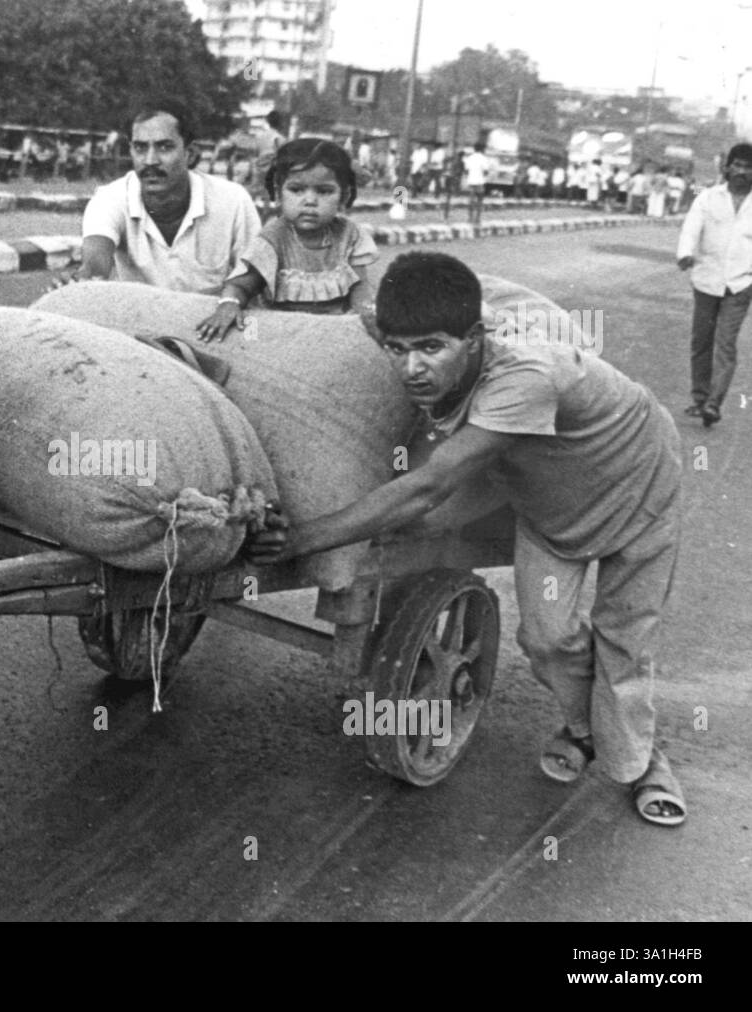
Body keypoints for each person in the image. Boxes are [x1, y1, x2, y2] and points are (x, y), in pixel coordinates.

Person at [246, 250, 688, 828]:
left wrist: (302, 540)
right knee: (547, 638)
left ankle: (641, 761)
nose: (411, 369)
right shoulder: (422, 352)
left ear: (475, 337)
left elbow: (427, 487)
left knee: (625, 639)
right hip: (548, 504)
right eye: (397, 349)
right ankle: (586, 729)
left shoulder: (526, 375)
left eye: (432, 347)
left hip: (639, 488)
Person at [196, 139, 377, 341]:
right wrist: (229, 303)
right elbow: (241, 285)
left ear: (344, 196)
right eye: (296, 190)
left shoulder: (349, 235)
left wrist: (367, 312)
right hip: (278, 333)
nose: (309, 201)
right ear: (279, 193)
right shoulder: (273, 237)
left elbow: (360, 287)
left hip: (331, 333)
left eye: (324, 191)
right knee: (247, 339)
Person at [67, 108, 260, 294]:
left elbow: (253, 274)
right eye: (140, 148)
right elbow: (95, 261)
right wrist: (82, 279)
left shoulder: (232, 201)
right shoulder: (110, 199)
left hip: (214, 323)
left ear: (190, 154)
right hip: (139, 321)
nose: (150, 160)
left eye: (165, 147)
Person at [676, 143, 752, 427]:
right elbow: (692, 226)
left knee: (726, 344)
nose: (742, 172)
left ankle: (713, 404)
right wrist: (685, 253)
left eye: (748, 167)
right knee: (701, 341)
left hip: (741, 283)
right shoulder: (708, 198)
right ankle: (699, 397)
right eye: (738, 165)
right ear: (728, 167)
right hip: (706, 279)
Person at [463, 142, 489, 225]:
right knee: (479, 200)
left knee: (471, 200)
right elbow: (485, 171)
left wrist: (470, 175)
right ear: (482, 149)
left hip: (471, 181)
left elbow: (466, 170)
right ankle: (477, 218)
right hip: (479, 181)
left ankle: (469, 218)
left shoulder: (469, 158)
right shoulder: (483, 158)